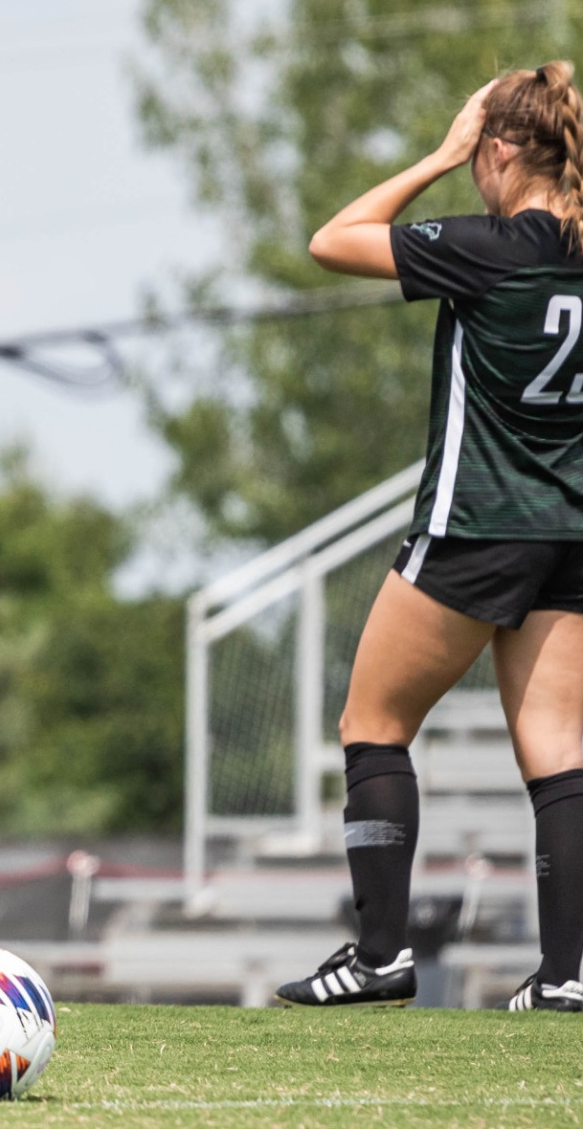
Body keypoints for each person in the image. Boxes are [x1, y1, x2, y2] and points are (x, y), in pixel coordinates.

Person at [277, 65, 583, 1012]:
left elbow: (333, 239)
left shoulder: (493, 245)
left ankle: (378, 958)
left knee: (372, 724)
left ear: (498, 151)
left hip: (474, 524)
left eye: (480, 155)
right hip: (571, 530)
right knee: (559, 748)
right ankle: (570, 975)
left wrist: (438, 156)